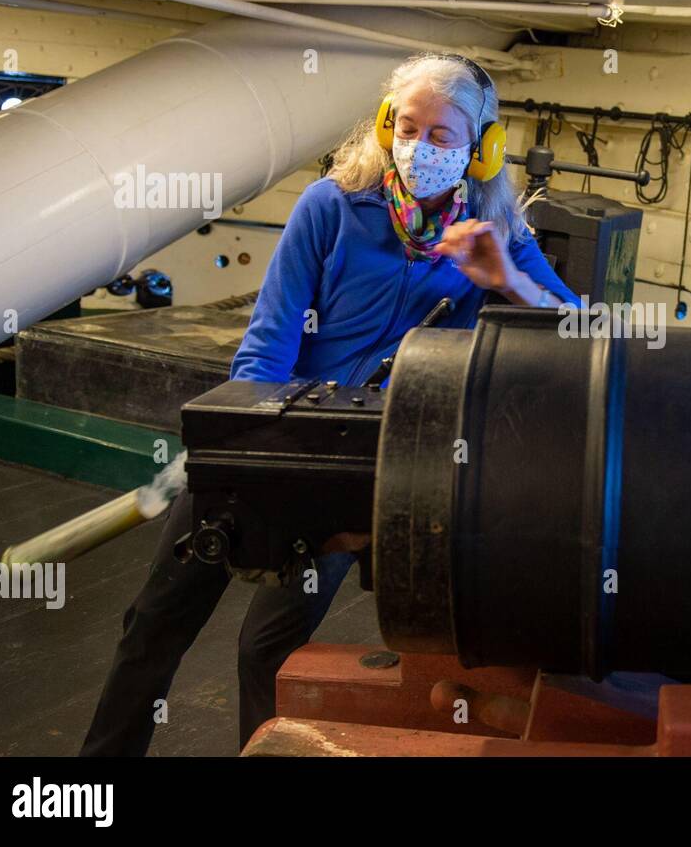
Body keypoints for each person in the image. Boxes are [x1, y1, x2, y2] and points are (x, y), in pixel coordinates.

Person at [81, 52, 579, 756]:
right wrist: (245, 455)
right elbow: (266, 347)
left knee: (270, 649)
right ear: (385, 125)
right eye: (408, 127)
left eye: (443, 135)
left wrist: (509, 285)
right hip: (269, 444)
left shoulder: (495, 236)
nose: (421, 147)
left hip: (361, 472)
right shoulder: (331, 207)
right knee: (153, 627)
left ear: (482, 147)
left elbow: (583, 331)